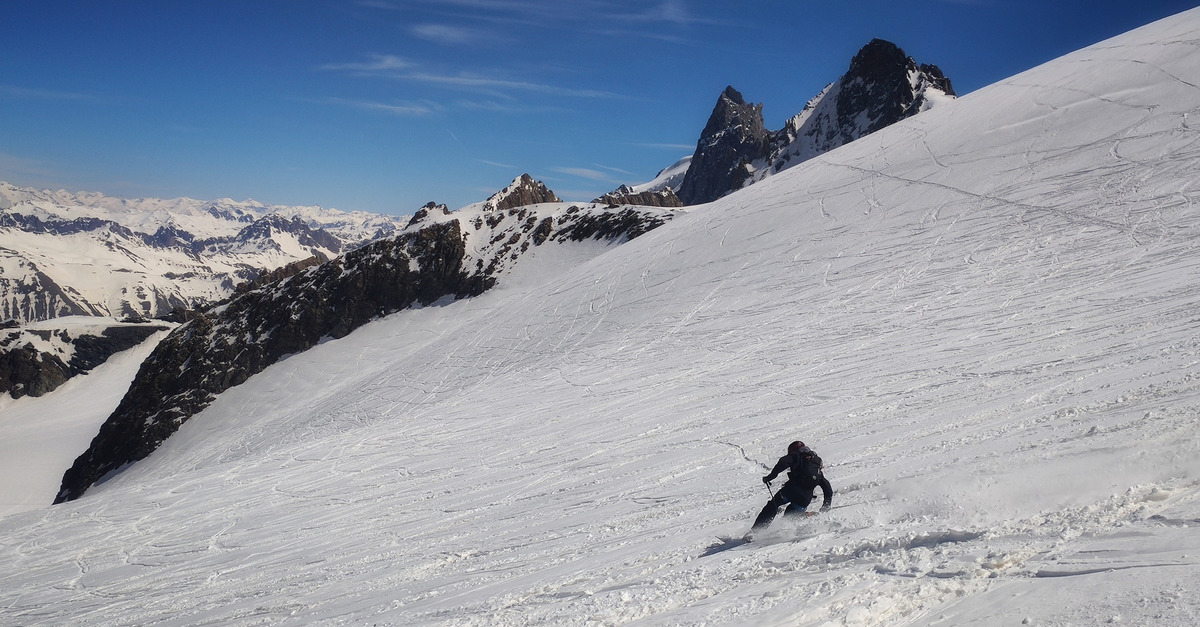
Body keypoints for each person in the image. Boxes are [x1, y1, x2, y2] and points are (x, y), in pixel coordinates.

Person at [748, 440, 833, 536]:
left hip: (792, 490)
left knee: (773, 505)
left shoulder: (796, 455)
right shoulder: (814, 465)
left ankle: (755, 532)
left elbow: (783, 462)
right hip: (805, 498)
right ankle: (806, 517)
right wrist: (827, 504)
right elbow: (827, 487)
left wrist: (769, 478)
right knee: (790, 516)